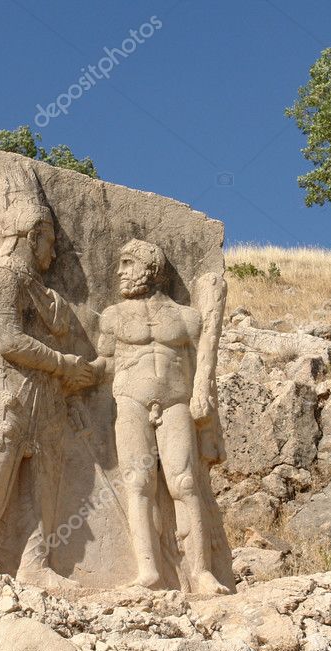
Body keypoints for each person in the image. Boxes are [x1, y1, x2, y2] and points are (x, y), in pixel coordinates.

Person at [0, 197, 93, 588]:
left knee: (47, 473)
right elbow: (8, 339)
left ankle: (35, 562)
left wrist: (71, 382)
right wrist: (63, 363)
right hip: (5, 384)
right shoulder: (1, 276)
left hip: (44, 390)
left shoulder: (38, 288)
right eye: (50, 242)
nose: (53, 253)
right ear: (33, 235)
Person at [95, 238, 230, 595]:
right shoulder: (113, 316)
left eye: (128, 263)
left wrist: (205, 406)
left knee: (185, 483)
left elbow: (204, 365)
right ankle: (148, 570)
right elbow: (104, 365)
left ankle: (201, 572)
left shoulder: (187, 317)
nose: (120, 272)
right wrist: (67, 371)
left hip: (175, 403)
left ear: (151, 268)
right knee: (138, 483)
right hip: (130, 402)